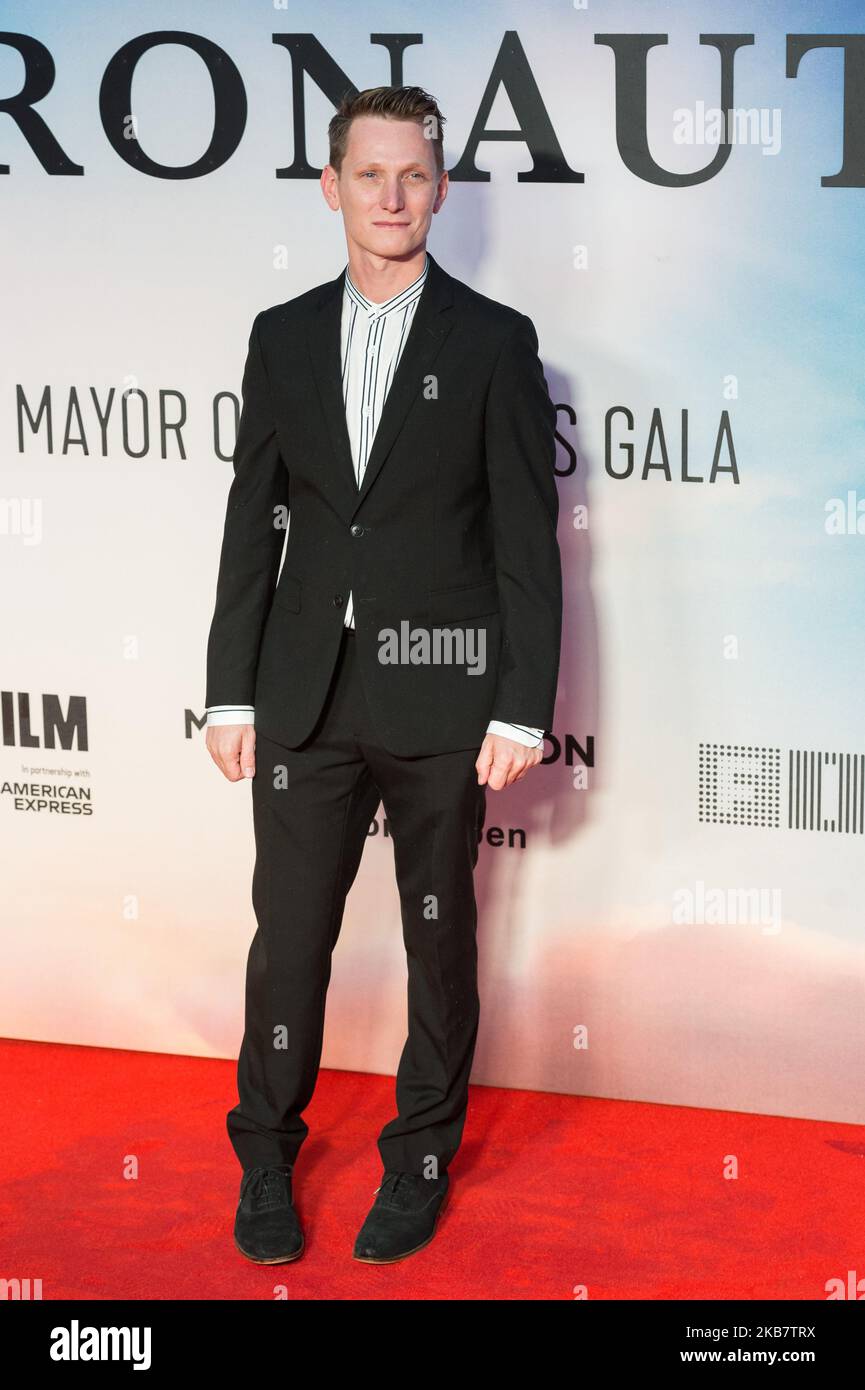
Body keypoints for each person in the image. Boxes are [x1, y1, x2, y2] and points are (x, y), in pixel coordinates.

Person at [204, 85, 562, 1265]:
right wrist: (232, 686)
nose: (391, 197)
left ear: (440, 188)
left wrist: (520, 701)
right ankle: (265, 1157)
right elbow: (252, 523)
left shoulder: (493, 341)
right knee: (289, 938)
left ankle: (416, 1159)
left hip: (441, 687)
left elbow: (526, 541)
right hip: (305, 688)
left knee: (435, 937)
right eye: (369, 175)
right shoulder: (280, 333)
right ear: (331, 186)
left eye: (413, 176)